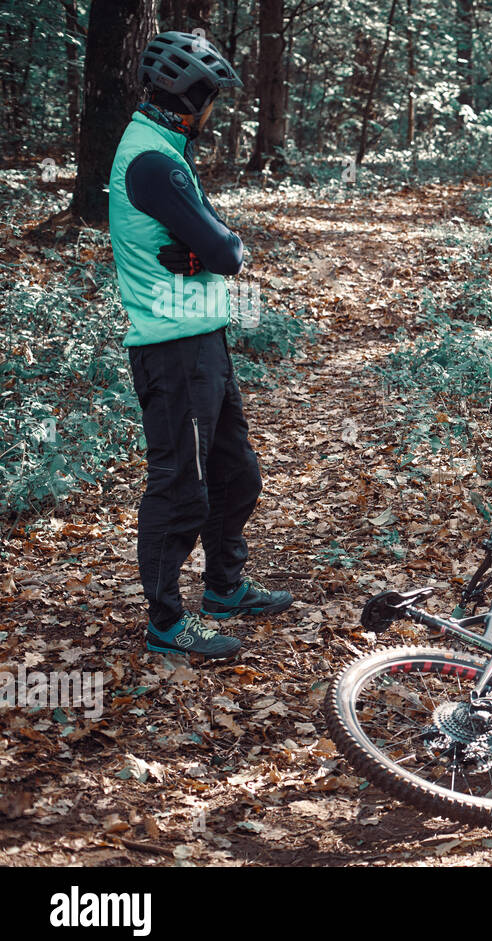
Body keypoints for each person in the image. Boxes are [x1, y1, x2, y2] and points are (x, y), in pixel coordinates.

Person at [108, 31, 292, 659]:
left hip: (201, 341)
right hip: (173, 348)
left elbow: (207, 247)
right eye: (213, 96)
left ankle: (225, 588)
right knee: (179, 487)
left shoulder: (163, 148)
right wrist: (213, 250)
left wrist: (205, 249)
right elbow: (226, 251)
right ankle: (165, 625)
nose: (215, 109)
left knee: (235, 473)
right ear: (196, 96)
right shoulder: (155, 161)